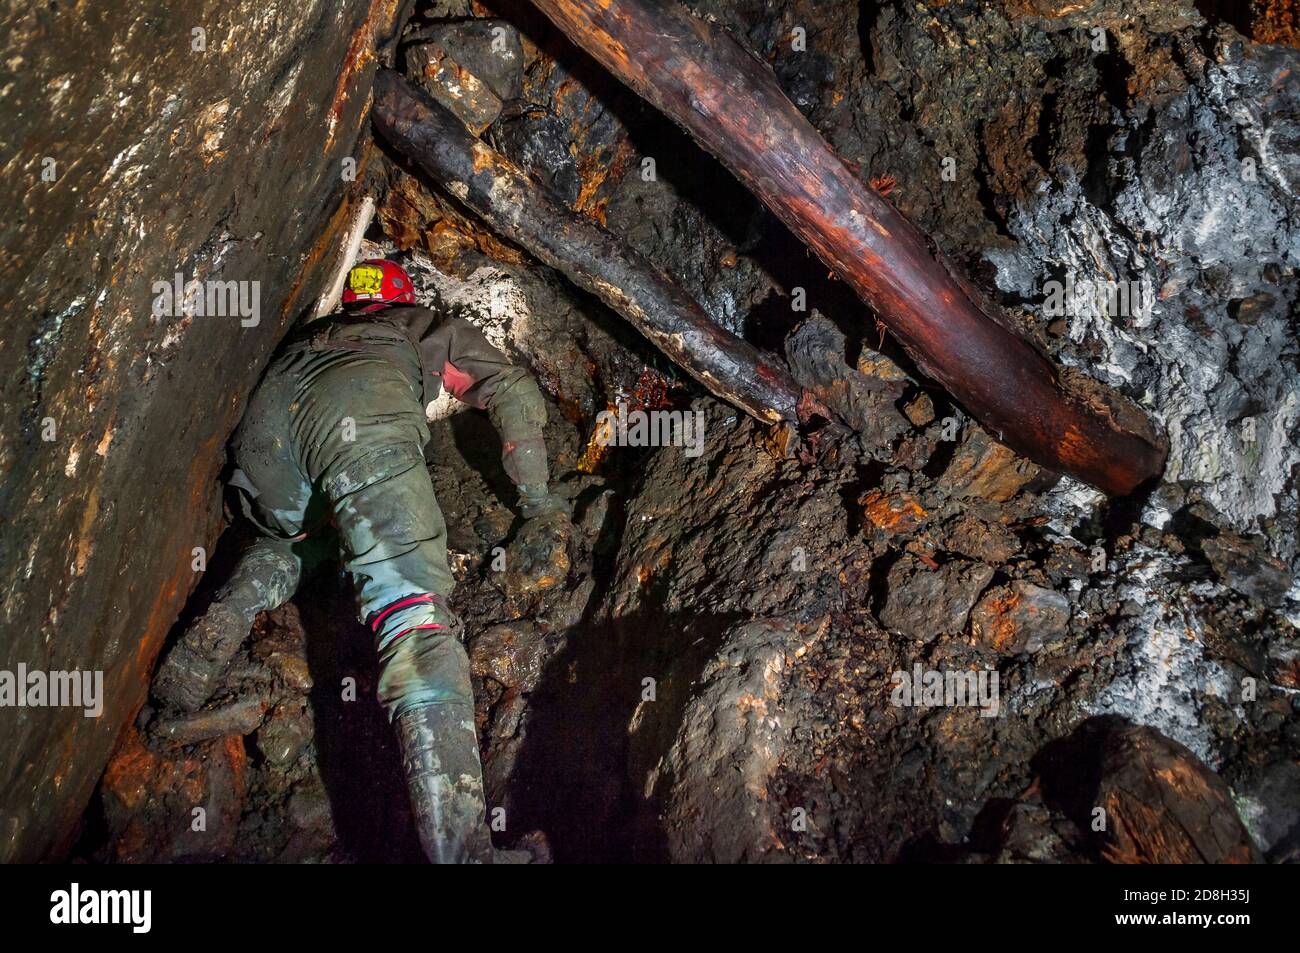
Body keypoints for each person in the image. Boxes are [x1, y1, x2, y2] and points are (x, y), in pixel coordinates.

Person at [152, 258, 568, 863]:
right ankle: (462, 849)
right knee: (414, 616)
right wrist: (537, 501)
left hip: (268, 437)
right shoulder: (416, 324)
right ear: (401, 297)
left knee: (302, 537)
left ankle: (227, 617)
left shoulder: (312, 333)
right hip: (357, 415)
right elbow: (510, 389)